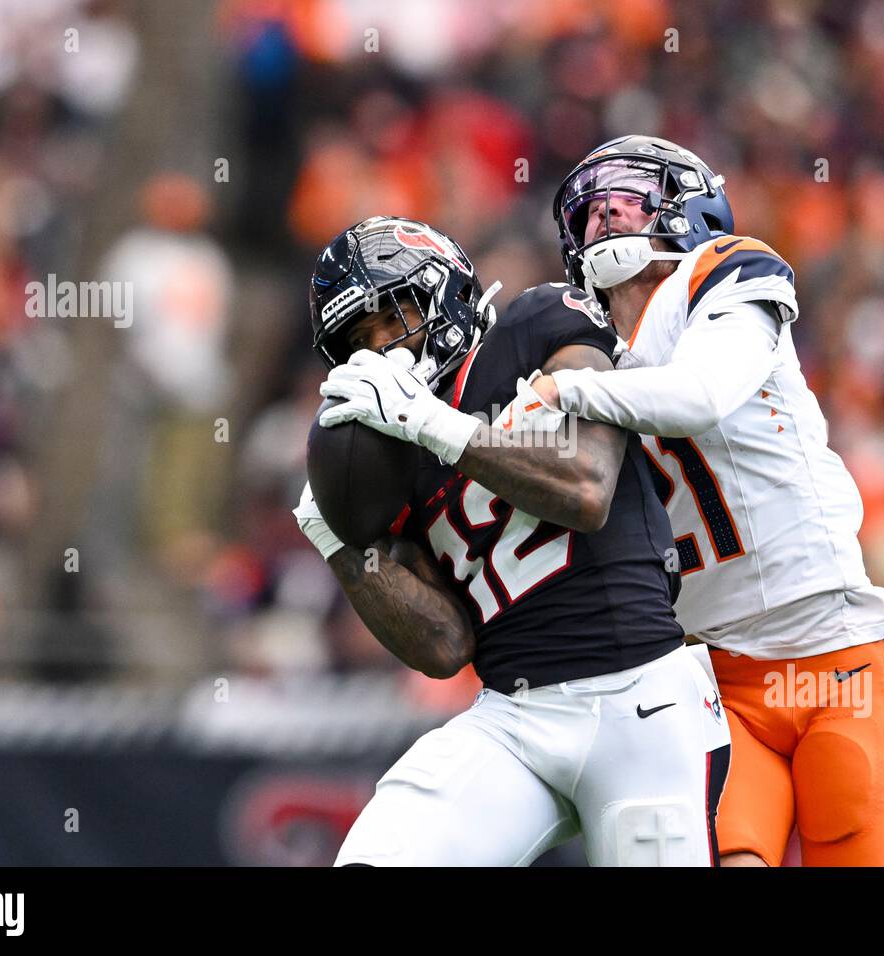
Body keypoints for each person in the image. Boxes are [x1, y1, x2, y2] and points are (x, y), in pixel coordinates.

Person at [525, 135, 884, 866]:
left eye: (628, 200)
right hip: (720, 674)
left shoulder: (725, 274)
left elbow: (699, 395)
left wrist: (564, 393)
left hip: (837, 656)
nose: (607, 219)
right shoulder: (582, 347)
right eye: (590, 213)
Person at [297, 216, 729, 866]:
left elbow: (586, 489)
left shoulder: (538, 323)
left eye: (393, 315)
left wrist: (436, 426)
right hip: (513, 718)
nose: (384, 348)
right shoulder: (385, 452)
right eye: (360, 340)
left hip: (641, 701)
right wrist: (343, 547)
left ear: (443, 290)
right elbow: (443, 647)